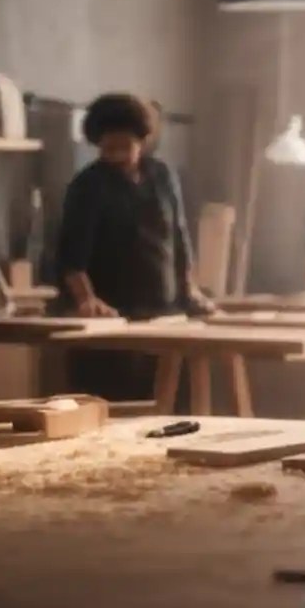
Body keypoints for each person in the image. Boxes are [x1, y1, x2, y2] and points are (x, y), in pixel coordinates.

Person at [57, 93, 213, 399]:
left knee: (172, 405)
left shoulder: (163, 176)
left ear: (142, 140)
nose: (116, 155)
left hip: (166, 314)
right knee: (117, 405)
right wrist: (87, 299)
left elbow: (180, 237)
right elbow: (70, 255)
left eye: (124, 147)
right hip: (115, 320)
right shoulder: (87, 185)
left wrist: (190, 289)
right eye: (108, 148)